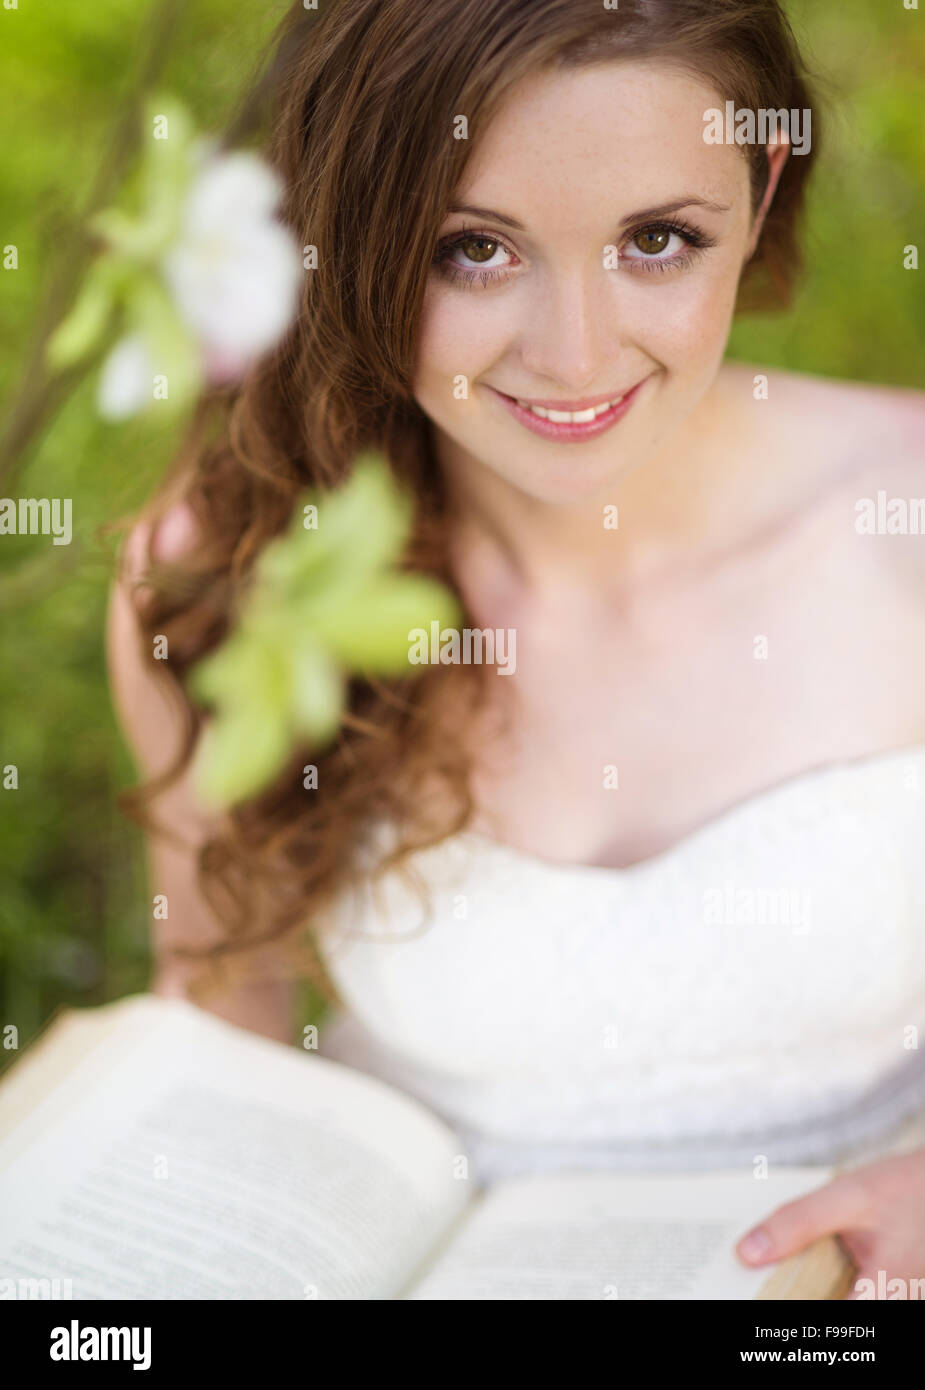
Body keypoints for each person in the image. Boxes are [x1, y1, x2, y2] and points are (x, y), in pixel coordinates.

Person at [107, 0, 925, 1292]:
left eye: (656, 239)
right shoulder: (222, 582)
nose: (574, 356)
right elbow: (228, 1023)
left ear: (762, 187)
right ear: (350, 233)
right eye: (472, 251)